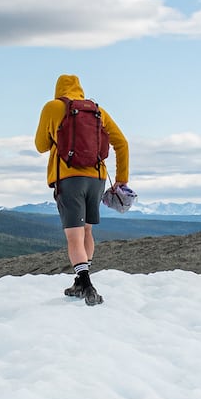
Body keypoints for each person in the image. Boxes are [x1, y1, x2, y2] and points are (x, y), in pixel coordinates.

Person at [35, 73, 129, 302]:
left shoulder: (53, 107)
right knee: (87, 231)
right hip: (96, 178)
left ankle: (87, 286)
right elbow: (122, 143)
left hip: (70, 178)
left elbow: (41, 145)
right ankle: (80, 281)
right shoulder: (98, 111)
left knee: (74, 236)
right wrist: (121, 179)